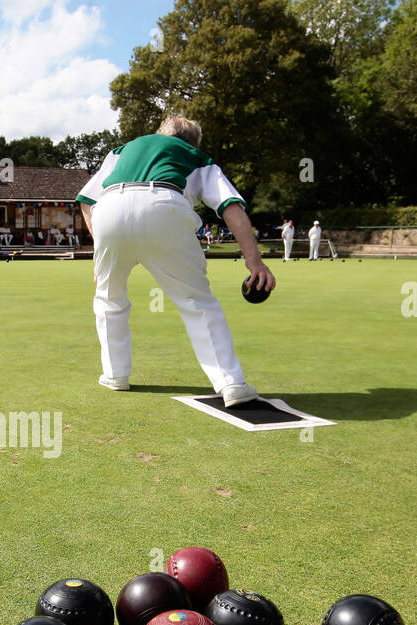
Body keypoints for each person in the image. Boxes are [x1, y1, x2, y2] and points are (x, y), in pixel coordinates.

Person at [76, 114, 274, 406]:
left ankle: (115, 374)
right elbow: (230, 206)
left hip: (108, 210)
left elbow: (85, 200)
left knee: (109, 297)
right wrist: (254, 262)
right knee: (197, 302)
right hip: (163, 206)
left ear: (160, 132)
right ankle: (231, 384)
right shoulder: (197, 156)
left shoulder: (121, 150)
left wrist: (99, 254)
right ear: (191, 142)